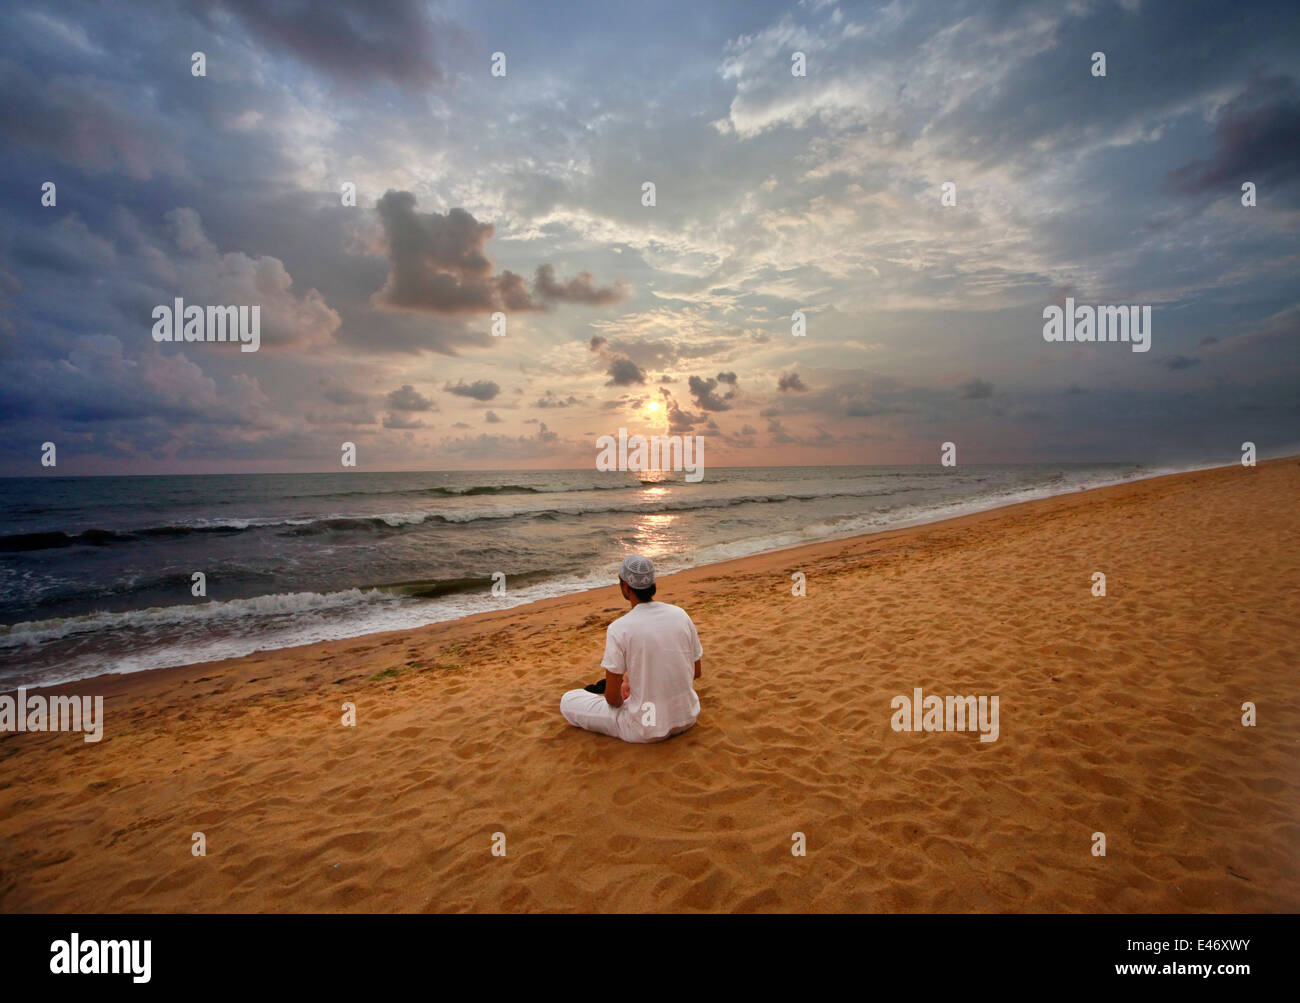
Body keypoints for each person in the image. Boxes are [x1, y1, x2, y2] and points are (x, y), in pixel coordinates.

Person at [560, 555, 702, 743]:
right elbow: (696, 672)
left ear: (625, 587)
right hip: (687, 717)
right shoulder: (680, 614)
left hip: (645, 727)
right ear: (653, 584)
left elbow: (613, 700)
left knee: (569, 700)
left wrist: (626, 697)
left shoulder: (619, 628)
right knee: (633, 679)